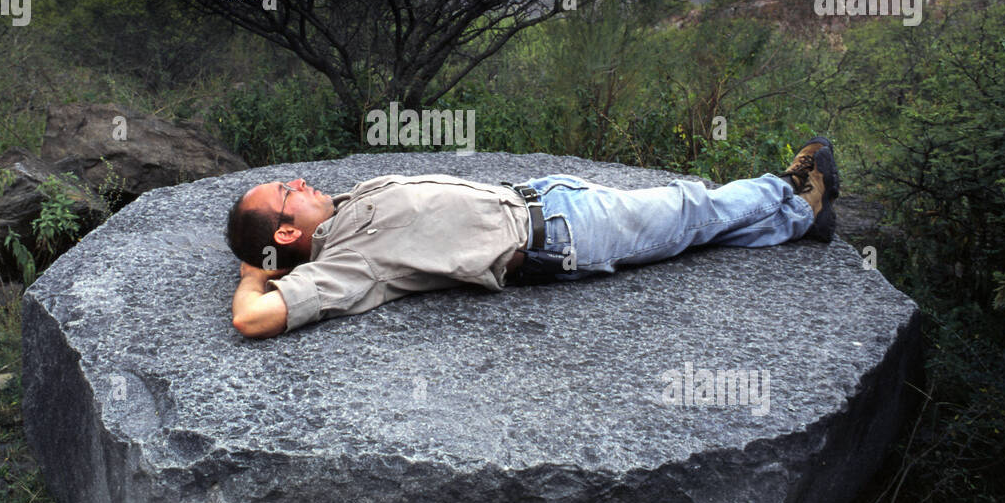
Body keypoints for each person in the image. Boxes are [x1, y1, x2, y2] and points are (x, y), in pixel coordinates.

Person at [226, 137, 840, 338]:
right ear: (285, 229)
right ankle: (790, 185)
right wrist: (258, 270)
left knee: (693, 232)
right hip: (569, 234)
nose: (300, 181)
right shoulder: (347, 263)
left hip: (548, 197)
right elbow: (253, 319)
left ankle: (799, 222)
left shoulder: (342, 209)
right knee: (690, 207)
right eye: (287, 191)